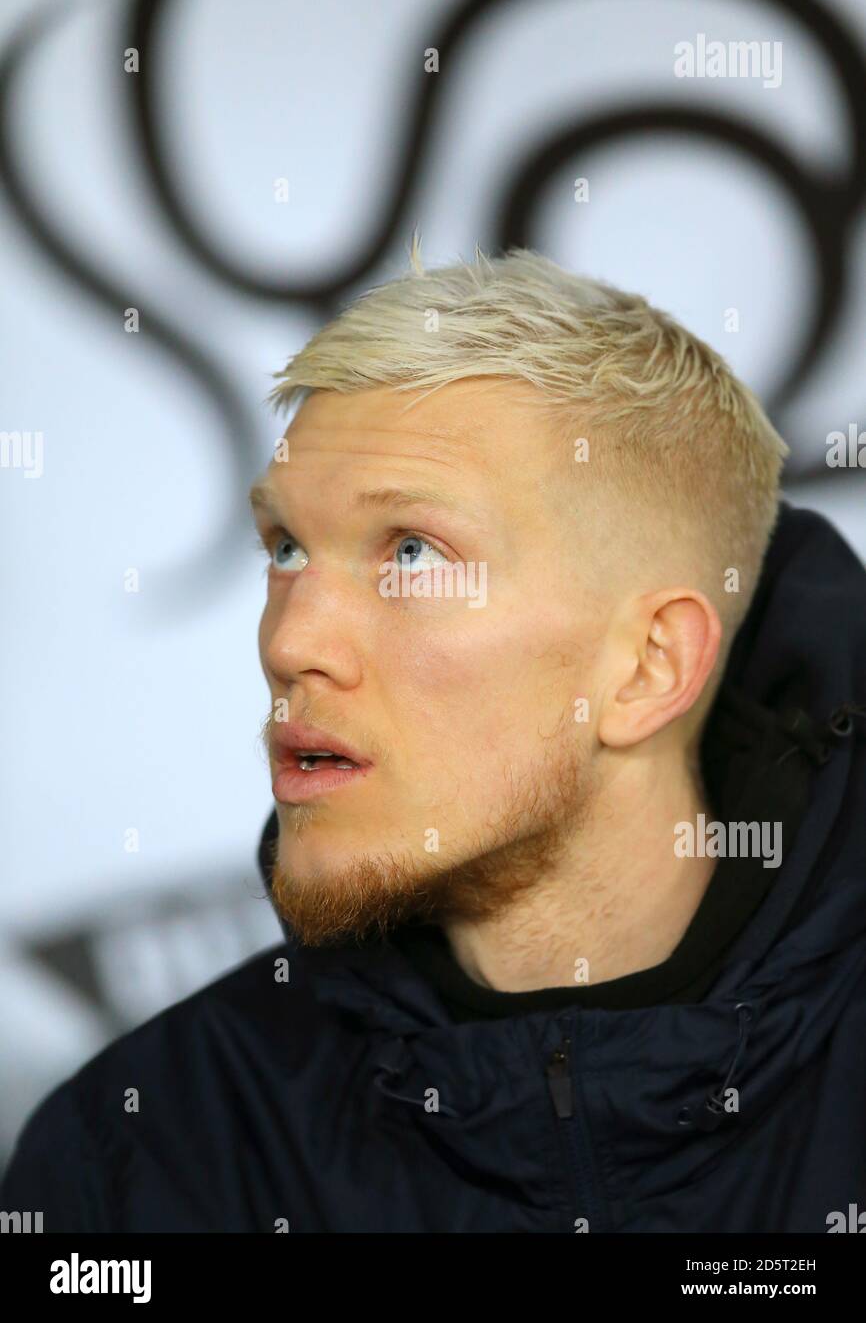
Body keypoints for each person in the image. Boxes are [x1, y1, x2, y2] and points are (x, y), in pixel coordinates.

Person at [3, 240, 865, 1232]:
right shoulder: (140, 1158)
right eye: (285, 549)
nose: (290, 643)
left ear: (646, 667)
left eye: (411, 551)